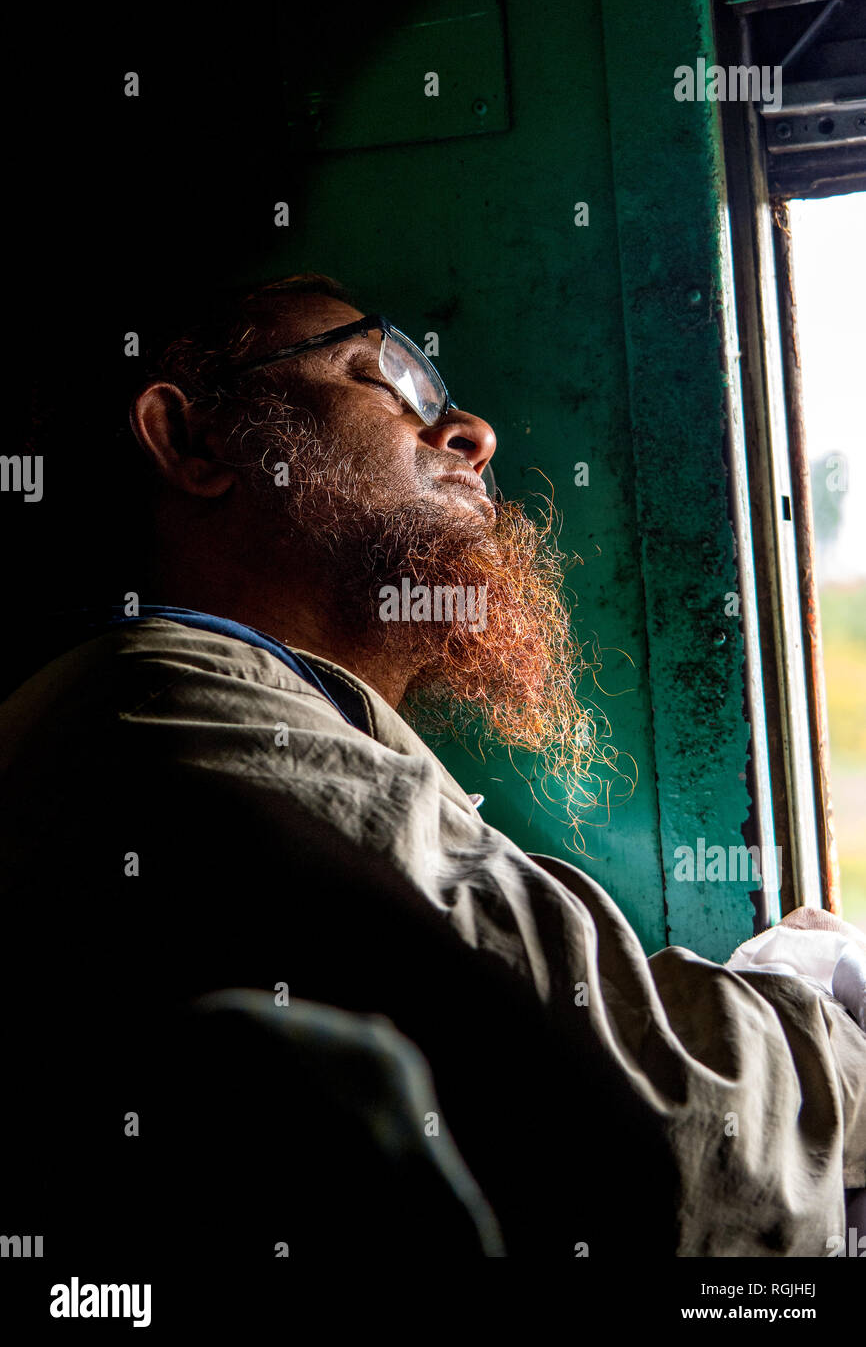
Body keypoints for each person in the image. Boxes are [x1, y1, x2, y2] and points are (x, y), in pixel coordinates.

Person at [2, 274, 864, 1261]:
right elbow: (661, 1133)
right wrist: (831, 1016)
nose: (469, 430)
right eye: (388, 376)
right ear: (193, 443)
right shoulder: (154, 703)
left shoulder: (248, 704)